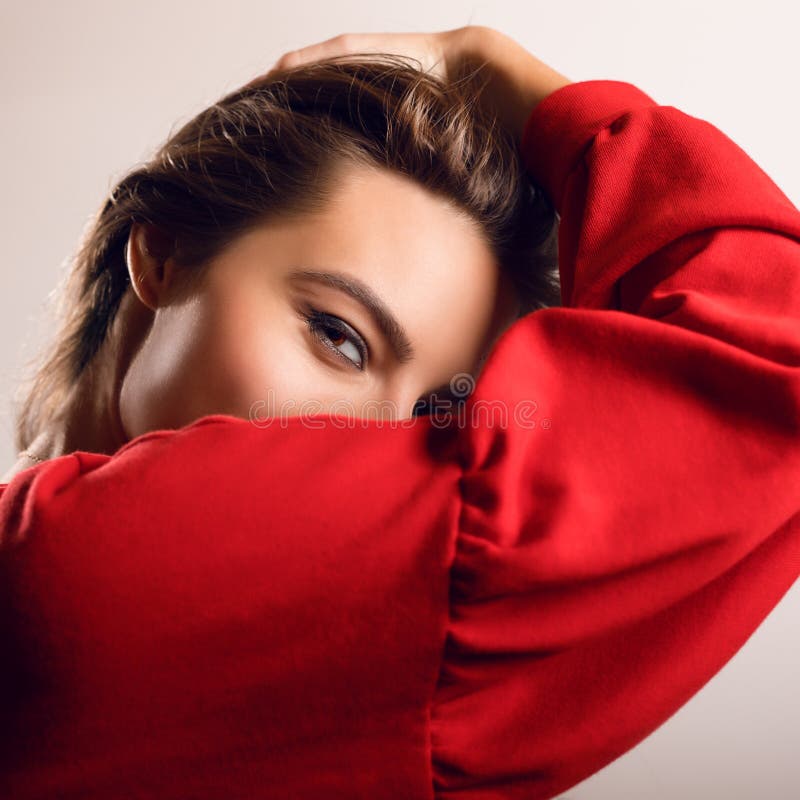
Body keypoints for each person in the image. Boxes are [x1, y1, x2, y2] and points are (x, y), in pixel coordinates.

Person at [0, 24, 798, 800]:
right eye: (339, 338)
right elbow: (776, 355)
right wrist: (501, 72)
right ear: (163, 253)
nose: (379, 439)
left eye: (439, 411)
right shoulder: (69, 584)